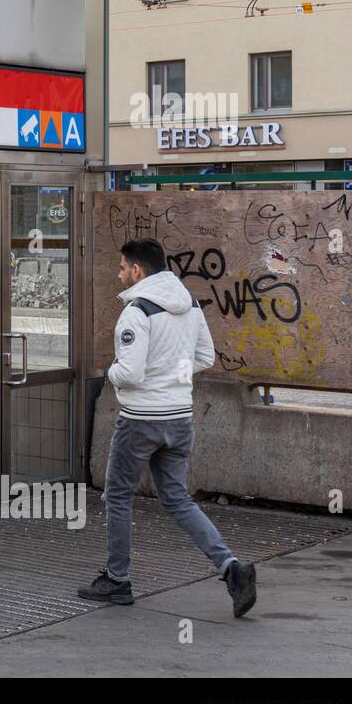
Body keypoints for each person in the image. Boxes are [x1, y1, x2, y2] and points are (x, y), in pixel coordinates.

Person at [79, 237, 257, 618]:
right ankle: (231, 568)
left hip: (141, 421)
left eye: (123, 267)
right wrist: (171, 377)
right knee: (176, 498)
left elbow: (128, 373)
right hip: (179, 419)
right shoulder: (190, 304)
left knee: (118, 497)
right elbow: (204, 356)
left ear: (138, 270)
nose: (119, 273)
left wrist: (106, 372)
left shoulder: (135, 312)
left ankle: (117, 580)